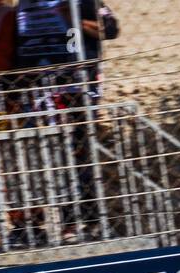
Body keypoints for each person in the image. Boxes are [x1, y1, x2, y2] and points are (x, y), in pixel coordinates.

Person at [10, 1, 120, 243]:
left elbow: (111, 29)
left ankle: (87, 222)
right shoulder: (23, 6)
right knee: (50, 156)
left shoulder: (81, 2)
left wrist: (75, 19)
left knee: (79, 153)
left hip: (76, 87)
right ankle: (47, 224)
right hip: (39, 87)